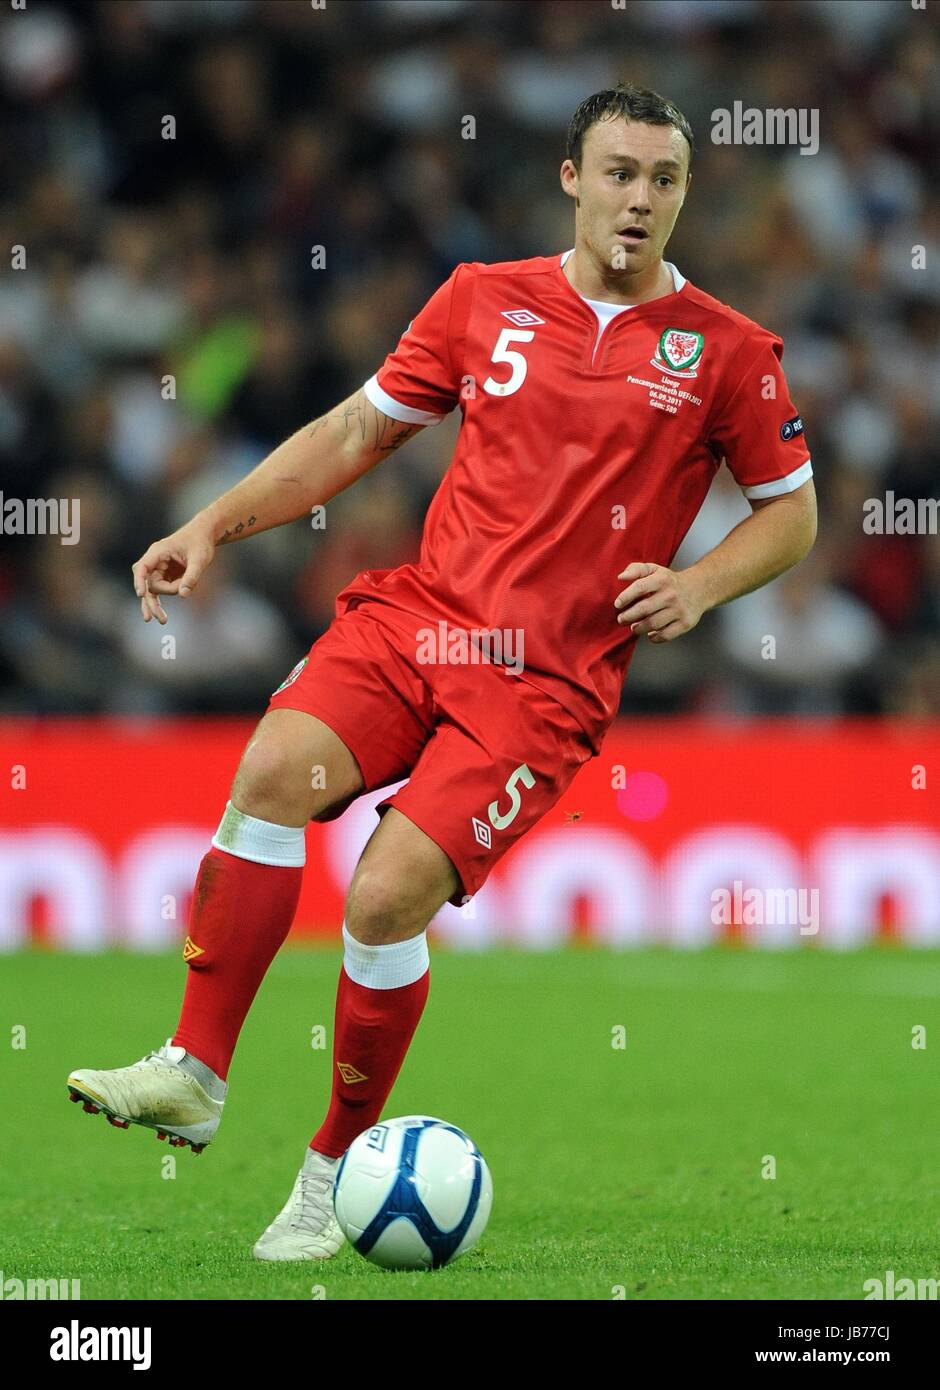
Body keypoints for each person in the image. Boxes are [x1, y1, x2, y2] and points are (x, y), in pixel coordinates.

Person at [67, 83, 817, 1261]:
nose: (639, 199)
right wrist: (211, 524)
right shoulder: (483, 301)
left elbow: (792, 514)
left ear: (683, 195)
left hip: (544, 684)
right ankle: (195, 1071)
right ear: (570, 178)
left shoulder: (726, 352)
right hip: (418, 622)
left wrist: (701, 584)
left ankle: (328, 1172)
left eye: (663, 180)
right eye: (618, 173)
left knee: (382, 896)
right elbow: (358, 432)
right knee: (267, 774)